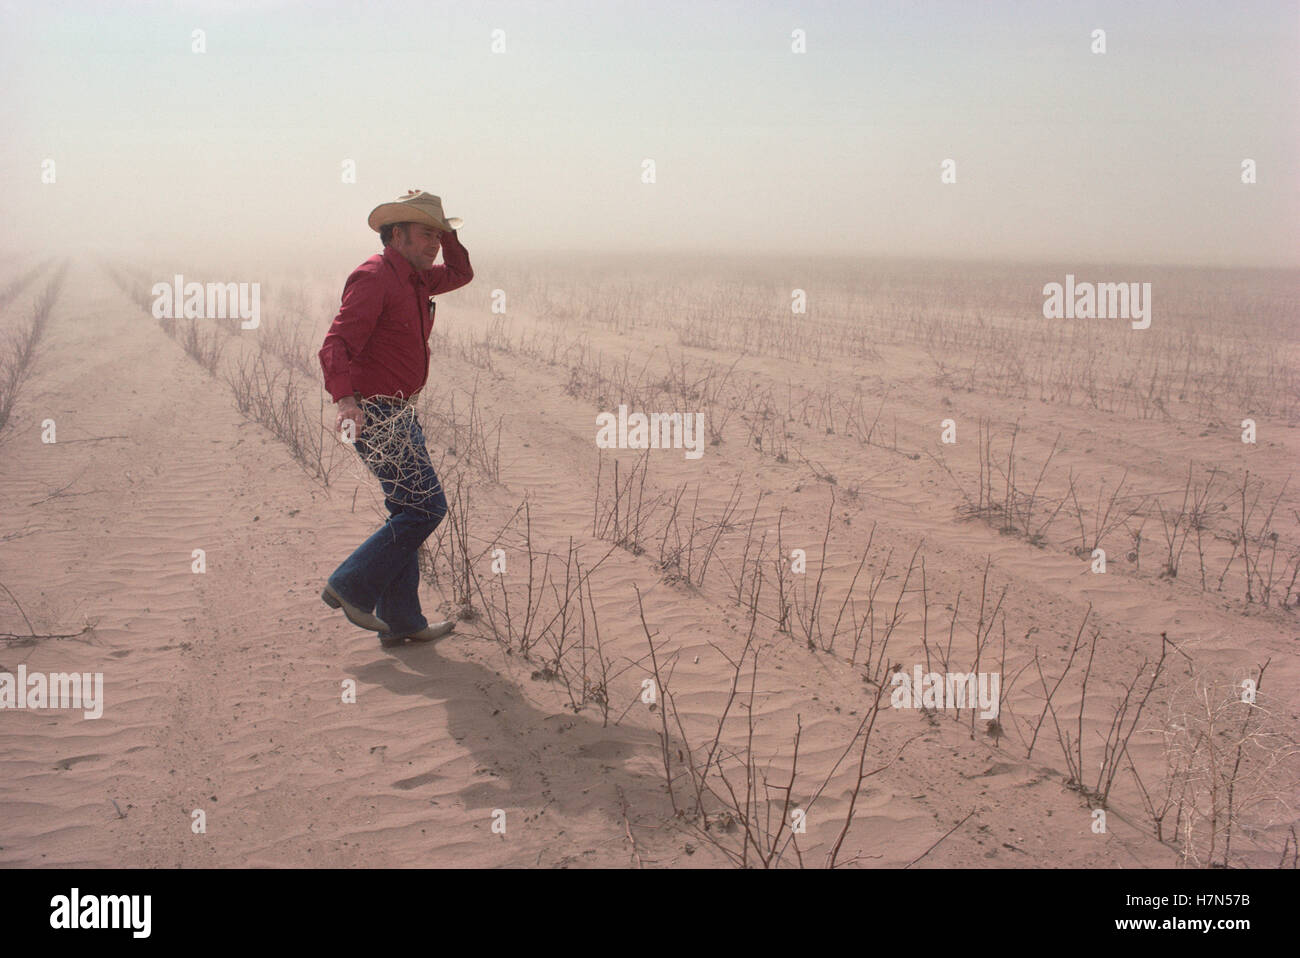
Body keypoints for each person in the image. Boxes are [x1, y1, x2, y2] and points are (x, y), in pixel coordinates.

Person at [317, 190, 474, 648]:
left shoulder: (419, 279)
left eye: (439, 235)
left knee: (409, 511)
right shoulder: (375, 277)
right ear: (397, 234)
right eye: (427, 233)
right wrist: (346, 403)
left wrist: (450, 235)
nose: (435, 244)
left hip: (398, 410)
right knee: (427, 509)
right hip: (376, 414)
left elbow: (462, 273)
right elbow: (335, 345)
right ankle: (349, 586)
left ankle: (402, 621)